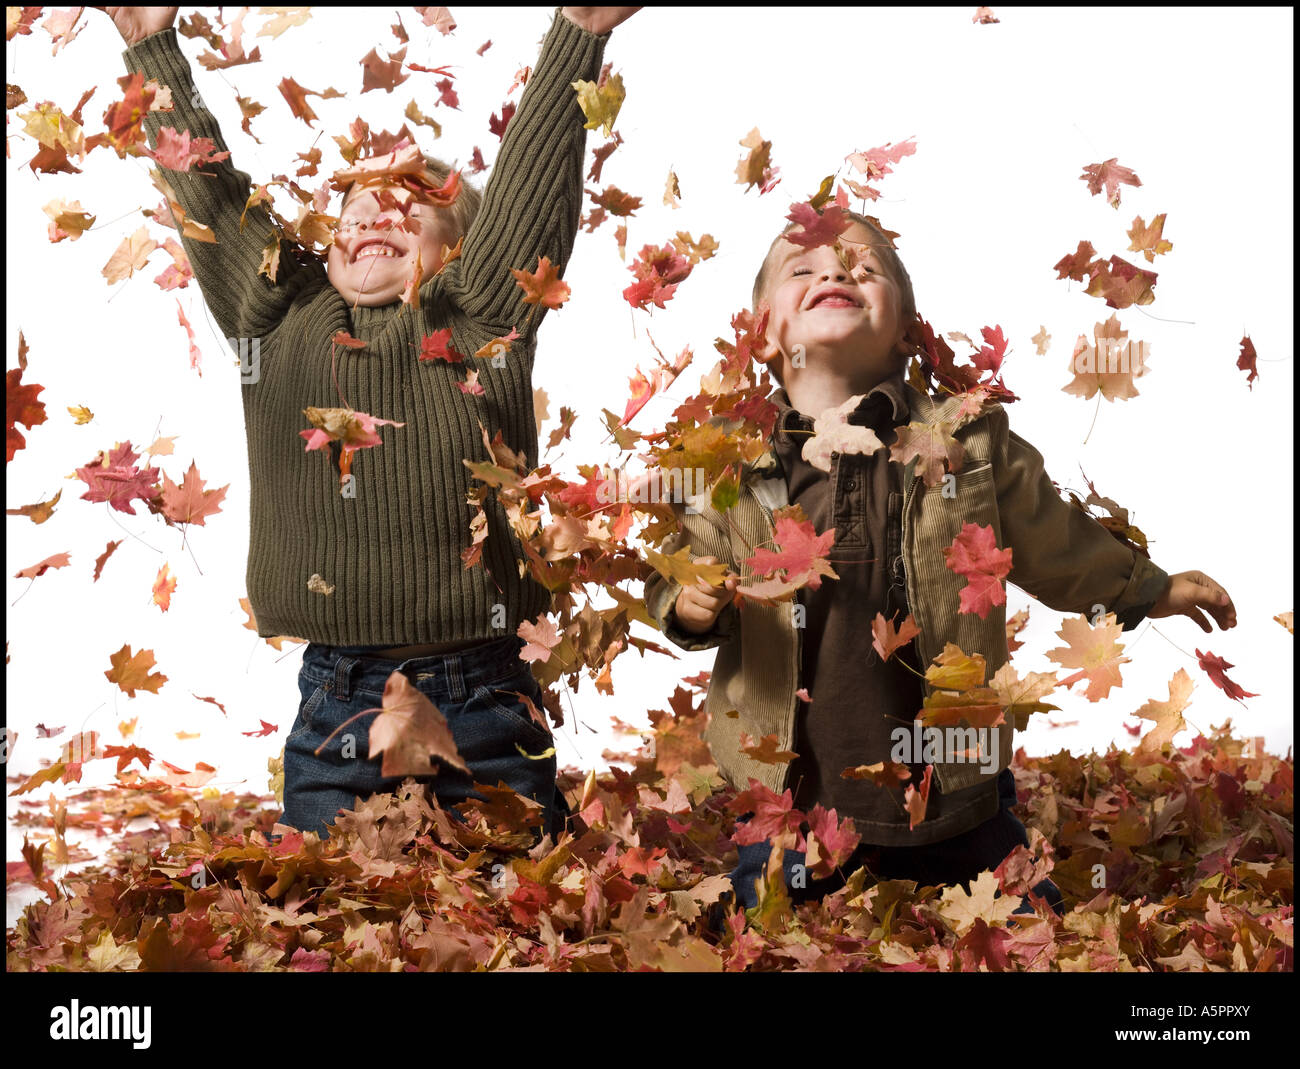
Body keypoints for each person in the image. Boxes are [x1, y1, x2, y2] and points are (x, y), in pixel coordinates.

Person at [97, 4, 640, 842]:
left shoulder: (477, 319)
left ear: (461, 249)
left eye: (407, 204)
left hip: (484, 698)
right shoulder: (277, 320)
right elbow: (209, 192)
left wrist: (579, 29)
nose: (373, 215)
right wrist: (148, 45)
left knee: (514, 904)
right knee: (327, 903)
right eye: (353, 209)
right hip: (338, 706)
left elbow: (530, 195)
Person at [643, 211, 1238, 922]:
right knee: (761, 935)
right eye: (802, 269)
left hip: (958, 796)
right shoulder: (735, 467)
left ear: (906, 329)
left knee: (1038, 931)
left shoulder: (967, 443)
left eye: (865, 267)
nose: (835, 273)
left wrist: (1148, 586)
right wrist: (685, 603)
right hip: (797, 803)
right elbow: (679, 568)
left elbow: (1053, 538)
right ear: (766, 334)